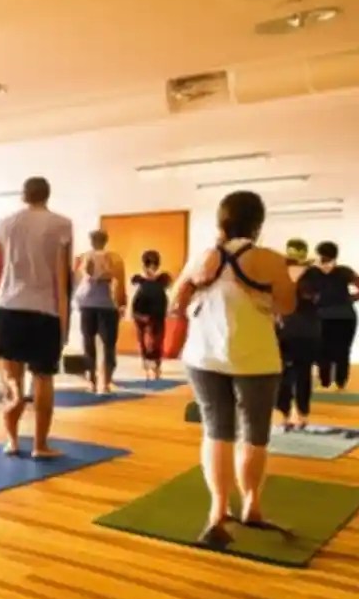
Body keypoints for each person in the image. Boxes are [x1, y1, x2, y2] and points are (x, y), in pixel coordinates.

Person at [172, 191, 295, 548]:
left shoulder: (203, 256)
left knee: (216, 431)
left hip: (204, 355)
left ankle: (218, 510)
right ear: (258, 223)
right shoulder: (270, 260)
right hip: (256, 356)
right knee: (255, 434)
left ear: (221, 221)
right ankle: (252, 507)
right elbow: (286, 307)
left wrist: (199, 278)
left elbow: (175, 304)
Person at [0, 176, 72, 458]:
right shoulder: (62, 224)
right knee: (44, 378)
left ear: (24, 196)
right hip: (44, 310)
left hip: (7, 308)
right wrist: (64, 321)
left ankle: (11, 441)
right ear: (47, 195)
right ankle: (40, 445)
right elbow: (63, 278)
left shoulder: (5, 224)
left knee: (13, 380)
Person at [277, 239, 324, 430]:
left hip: (290, 330)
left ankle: (287, 414)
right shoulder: (314, 274)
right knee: (301, 374)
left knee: (285, 374)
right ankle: (299, 414)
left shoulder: (281, 273)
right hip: (304, 331)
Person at [74, 230, 127, 393]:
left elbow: (76, 280)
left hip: (87, 304)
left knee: (89, 342)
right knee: (108, 344)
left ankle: (92, 379)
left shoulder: (82, 257)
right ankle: (106, 381)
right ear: (106, 240)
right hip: (106, 305)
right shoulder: (114, 258)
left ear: (91, 241)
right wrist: (122, 303)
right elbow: (120, 282)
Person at [313, 241, 359, 391]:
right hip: (343, 316)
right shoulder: (343, 271)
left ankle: (328, 383)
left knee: (326, 351)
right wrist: (351, 299)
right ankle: (338, 384)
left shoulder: (317, 272)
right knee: (339, 351)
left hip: (330, 317)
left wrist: (351, 298)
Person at [130, 250, 173, 381]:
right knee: (152, 339)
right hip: (149, 312)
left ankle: (151, 366)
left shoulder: (160, 279)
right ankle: (152, 366)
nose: (152, 268)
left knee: (150, 339)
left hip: (148, 312)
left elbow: (133, 295)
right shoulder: (143, 279)